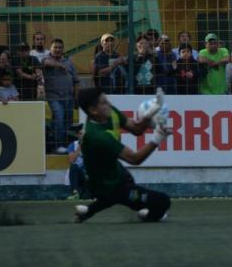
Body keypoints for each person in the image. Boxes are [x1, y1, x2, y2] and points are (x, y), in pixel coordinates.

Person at [73, 88, 172, 223]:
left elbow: (136, 130)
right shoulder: (98, 136)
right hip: (105, 185)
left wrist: (149, 114)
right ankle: (147, 216)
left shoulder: (110, 112)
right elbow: (135, 159)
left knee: (126, 182)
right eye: (104, 103)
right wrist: (158, 138)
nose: (109, 104)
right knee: (162, 201)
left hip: (115, 172)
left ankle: (88, 211)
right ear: (93, 110)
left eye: (107, 100)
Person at [42, 38, 79, 154]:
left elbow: (76, 81)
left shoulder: (69, 62)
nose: (57, 50)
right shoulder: (46, 60)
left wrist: (76, 97)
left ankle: (64, 146)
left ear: (63, 49)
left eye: (60, 47)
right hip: (54, 98)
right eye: (55, 47)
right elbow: (46, 63)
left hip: (69, 98)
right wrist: (60, 65)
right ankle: (58, 146)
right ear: (51, 49)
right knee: (59, 117)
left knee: (67, 123)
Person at [66, 124, 87, 200]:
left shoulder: (93, 144)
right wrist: (79, 147)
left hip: (90, 175)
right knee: (73, 166)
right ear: (77, 135)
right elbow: (71, 160)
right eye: (80, 134)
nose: (81, 136)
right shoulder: (73, 145)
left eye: (83, 134)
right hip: (80, 174)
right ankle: (75, 193)